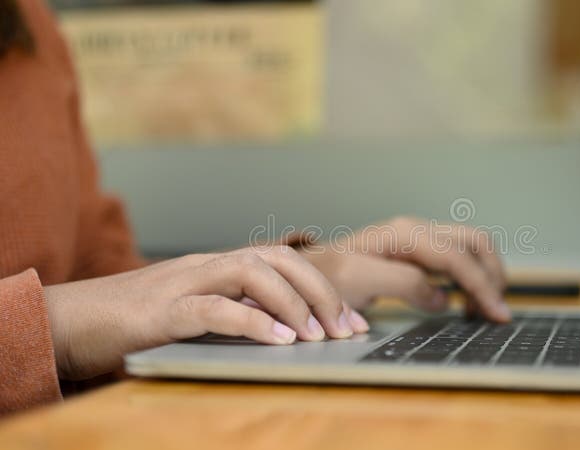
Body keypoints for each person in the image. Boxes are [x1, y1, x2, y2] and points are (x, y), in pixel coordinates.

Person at [0, 0, 509, 414]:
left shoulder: (31, 23)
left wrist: (304, 275)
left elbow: (105, 284)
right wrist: (52, 326)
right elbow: (84, 312)